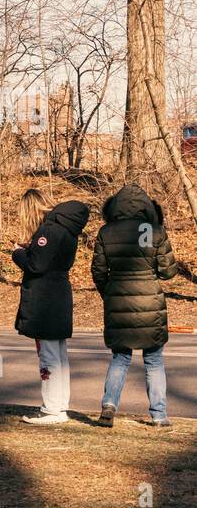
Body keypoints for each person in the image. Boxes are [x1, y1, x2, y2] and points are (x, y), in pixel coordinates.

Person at [91, 183, 177, 428]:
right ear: (147, 207)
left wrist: (108, 293)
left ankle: (109, 405)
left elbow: (98, 271)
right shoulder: (154, 231)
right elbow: (168, 272)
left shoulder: (106, 232)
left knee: (120, 357)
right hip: (150, 303)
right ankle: (159, 416)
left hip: (117, 299)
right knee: (154, 361)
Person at [11, 188, 88, 426]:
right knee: (59, 355)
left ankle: (52, 408)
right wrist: (32, 247)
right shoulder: (66, 229)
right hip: (59, 295)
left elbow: (36, 265)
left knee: (48, 356)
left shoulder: (48, 230)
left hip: (44, 300)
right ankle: (60, 404)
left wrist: (18, 253)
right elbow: (48, 258)